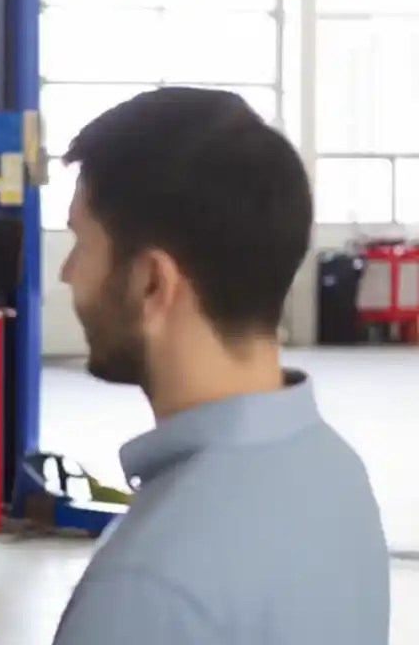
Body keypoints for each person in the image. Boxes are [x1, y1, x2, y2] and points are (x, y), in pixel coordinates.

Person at [51, 87, 391, 645]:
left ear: (152, 282)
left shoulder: (144, 586)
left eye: (81, 245)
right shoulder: (334, 470)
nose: (67, 274)